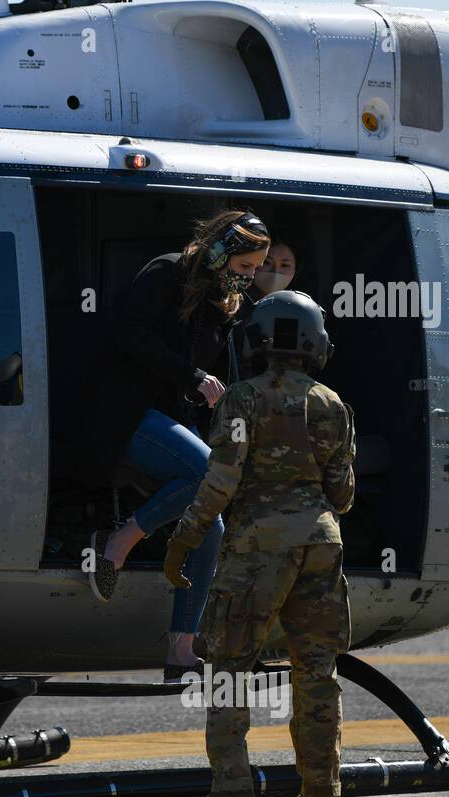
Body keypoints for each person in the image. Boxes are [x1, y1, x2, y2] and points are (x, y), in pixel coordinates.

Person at [164, 290, 356, 797]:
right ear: (315, 342)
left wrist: (184, 539)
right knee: (317, 670)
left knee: (229, 666)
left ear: (258, 339)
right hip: (321, 543)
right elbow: (342, 494)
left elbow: (220, 480)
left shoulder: (241, 399)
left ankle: (232, 789)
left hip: (256, 548)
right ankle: (321, 792)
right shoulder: (330, 402)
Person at [80, 210, 272, 682]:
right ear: (223, 250)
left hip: (168, 420)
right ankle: (120, 539)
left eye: (254, 270)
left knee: (212, 525)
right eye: (245, 266)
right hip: (124, 415)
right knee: (211, 474)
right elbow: (131, 336)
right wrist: (193, 378)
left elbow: (220, 376)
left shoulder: (222, 303)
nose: (248, 278)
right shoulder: (165, 271)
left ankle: (181, 651)